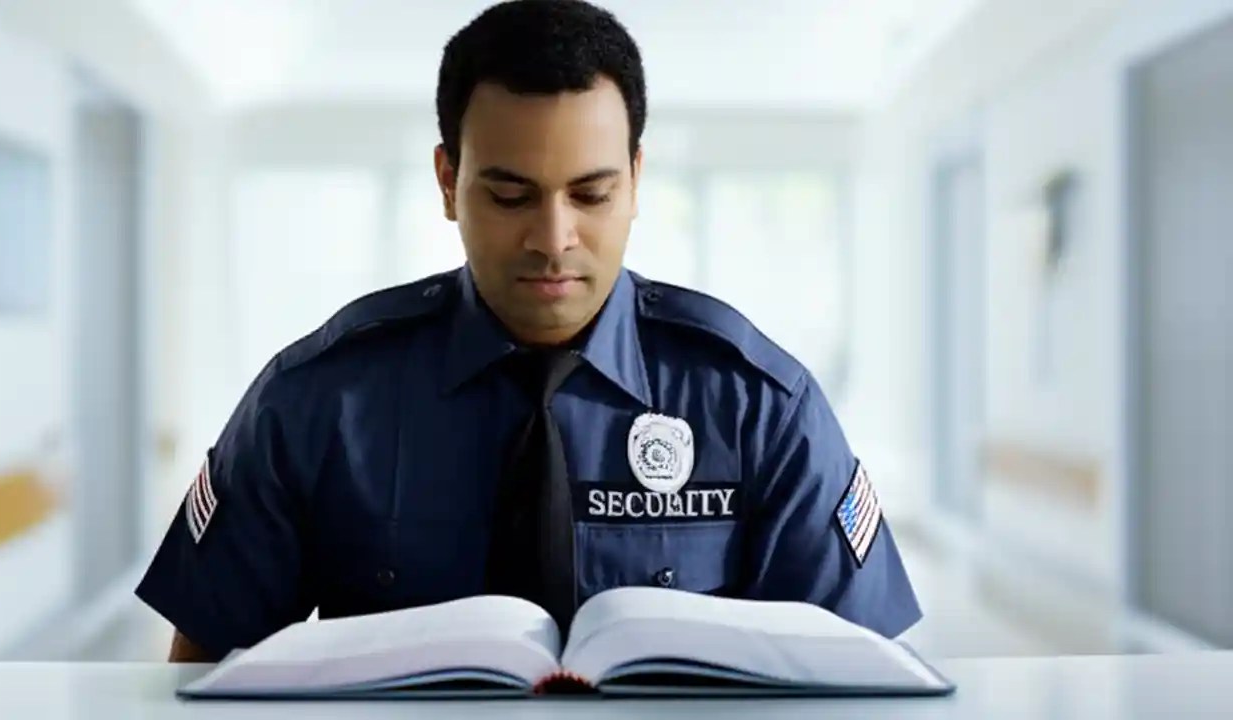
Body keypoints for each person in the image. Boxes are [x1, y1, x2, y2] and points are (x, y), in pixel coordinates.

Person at [137, 0, 922, 663]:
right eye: (511, 195)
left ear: (637, 182)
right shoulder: (316, 401)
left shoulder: (756, 405)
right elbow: (197, 678)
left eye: (591, 194)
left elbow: (865, 674)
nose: (553, 238)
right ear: (449, 182)